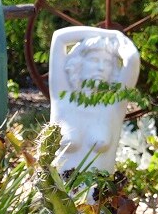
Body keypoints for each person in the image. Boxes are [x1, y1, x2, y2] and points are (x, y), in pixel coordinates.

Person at [47, 26, 141, 175]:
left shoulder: (114, 105)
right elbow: (59, 38)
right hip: (56, 195)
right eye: (94, 60)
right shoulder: (62, 96)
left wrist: (119, 40)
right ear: (78, 63)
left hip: (98, 196)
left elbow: (132, 59)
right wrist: (111, 34)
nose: (101, 68)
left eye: (108, 63)